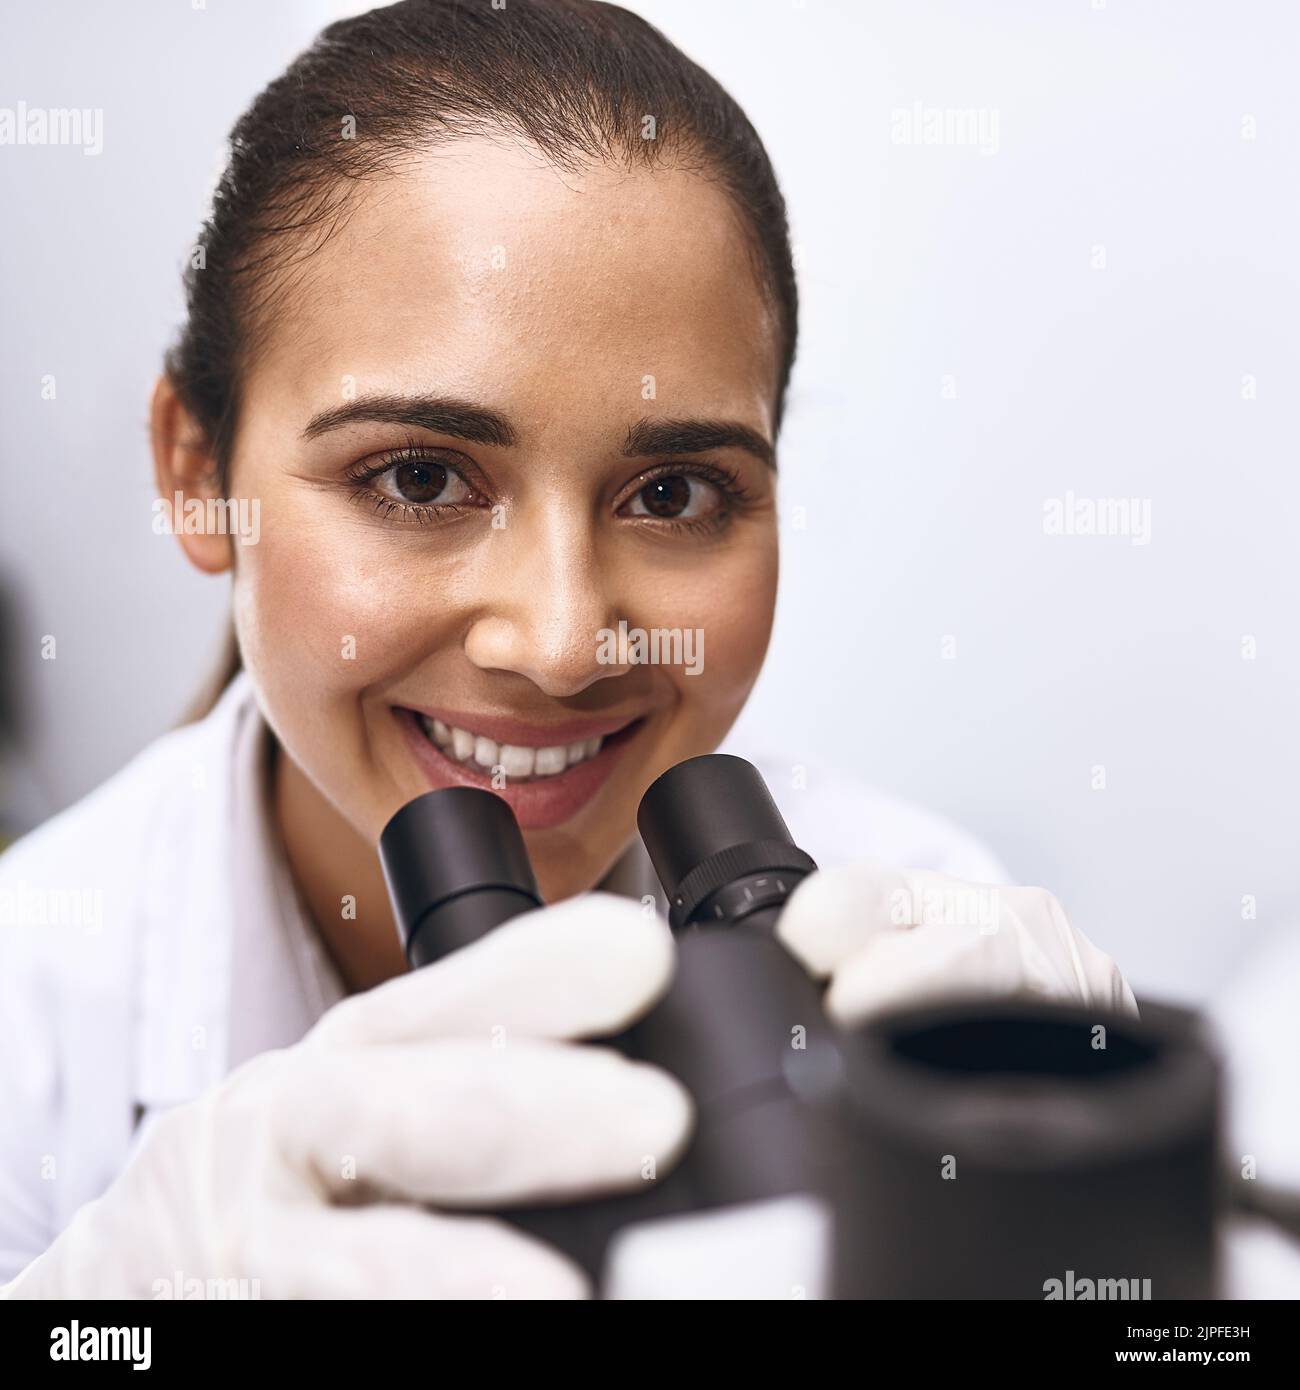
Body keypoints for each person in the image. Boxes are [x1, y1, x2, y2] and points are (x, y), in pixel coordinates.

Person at [0, 0, 1135, 1299]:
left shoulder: (925, 912)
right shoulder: (28, 1013)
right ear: (199, 472)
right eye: (419, 476)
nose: (558, 643)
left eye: (672, 495)